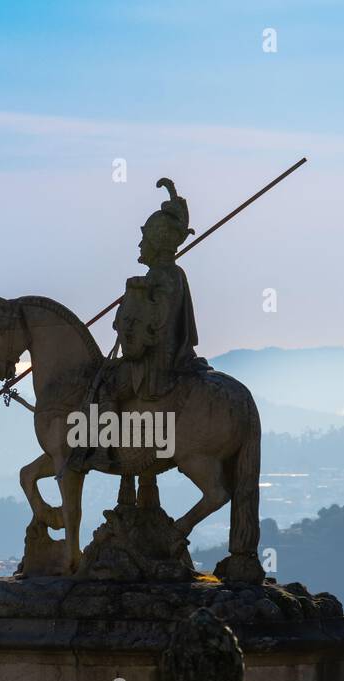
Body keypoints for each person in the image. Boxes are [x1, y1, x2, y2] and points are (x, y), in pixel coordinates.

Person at [68, 178, 207, 473]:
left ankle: (104, 448)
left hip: (154, 363)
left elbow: (155, 322)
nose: (140, 245)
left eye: (145, 239)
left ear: (157, 243)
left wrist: (132, 308)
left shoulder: (160, 278)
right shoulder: (172, 274)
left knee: (106, 384)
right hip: (167, 356)